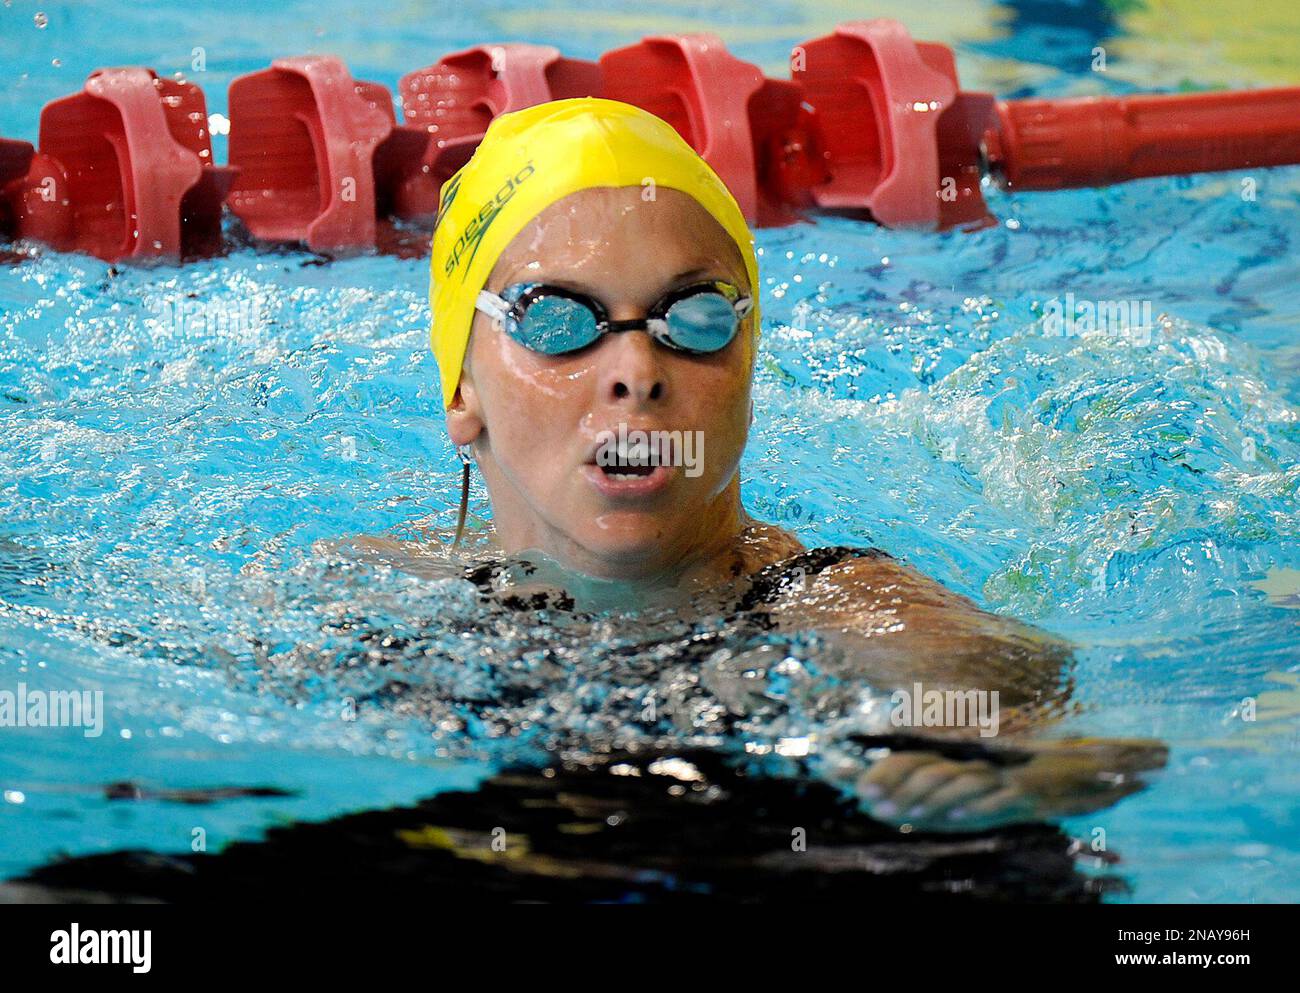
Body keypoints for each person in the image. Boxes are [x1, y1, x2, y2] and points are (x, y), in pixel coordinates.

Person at [350, 97, 1164, 832]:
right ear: (462, 389)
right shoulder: (376, 594)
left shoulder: (844, 609)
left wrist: (1015, 769)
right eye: (558, 320)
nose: (636, 370)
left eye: (694, 318)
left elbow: (1048, 723)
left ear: (746, 369)